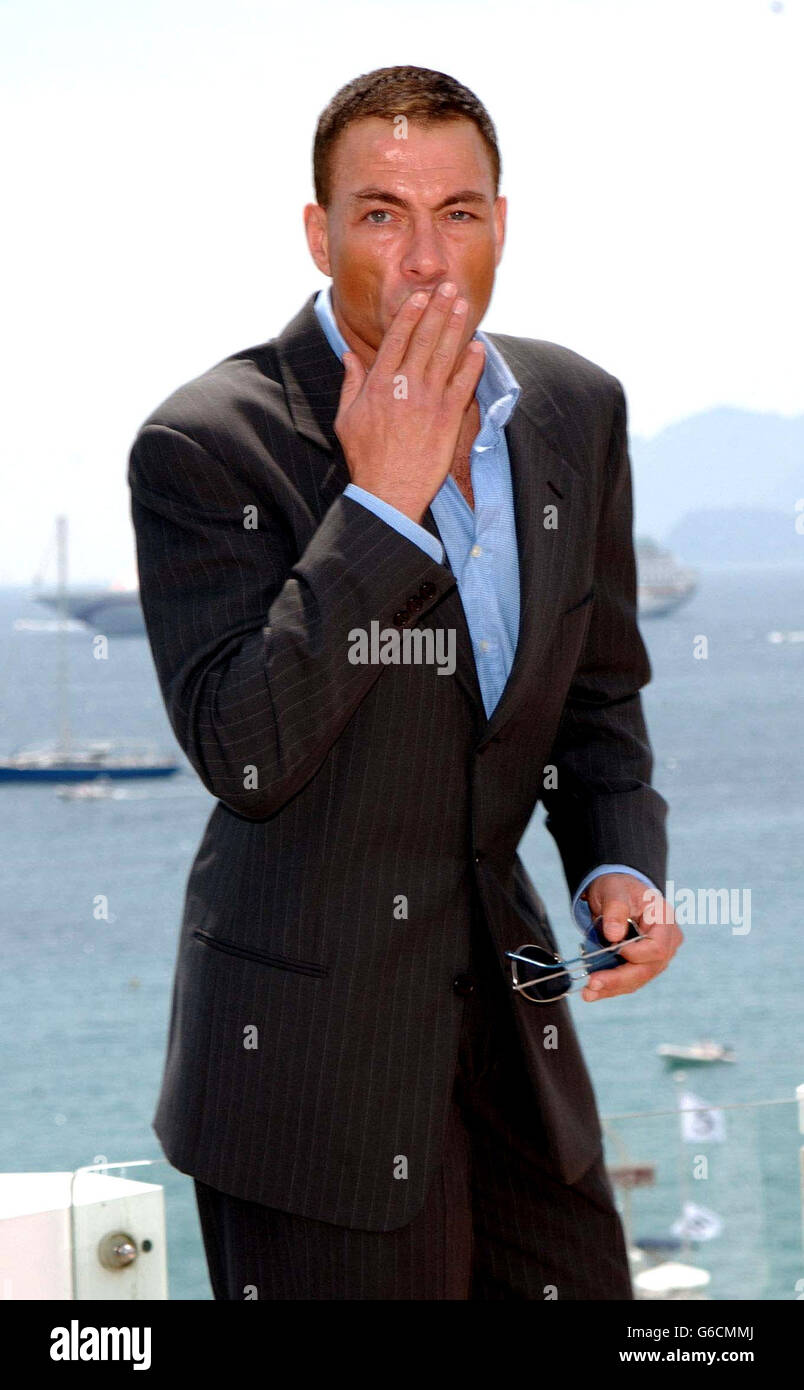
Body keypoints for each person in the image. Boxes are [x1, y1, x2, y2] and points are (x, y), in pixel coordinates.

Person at [128, 65, 682, 1301]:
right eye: (382, 214)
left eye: (459, 212)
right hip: (311, 1079)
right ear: (318, 233)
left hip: (518, 1050)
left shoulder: (577, 408)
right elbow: (245, 752)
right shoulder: (205, 442)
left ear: (502, 223)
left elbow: (596, 695)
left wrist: (618, 861)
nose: (428, 258)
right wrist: (380, 505)